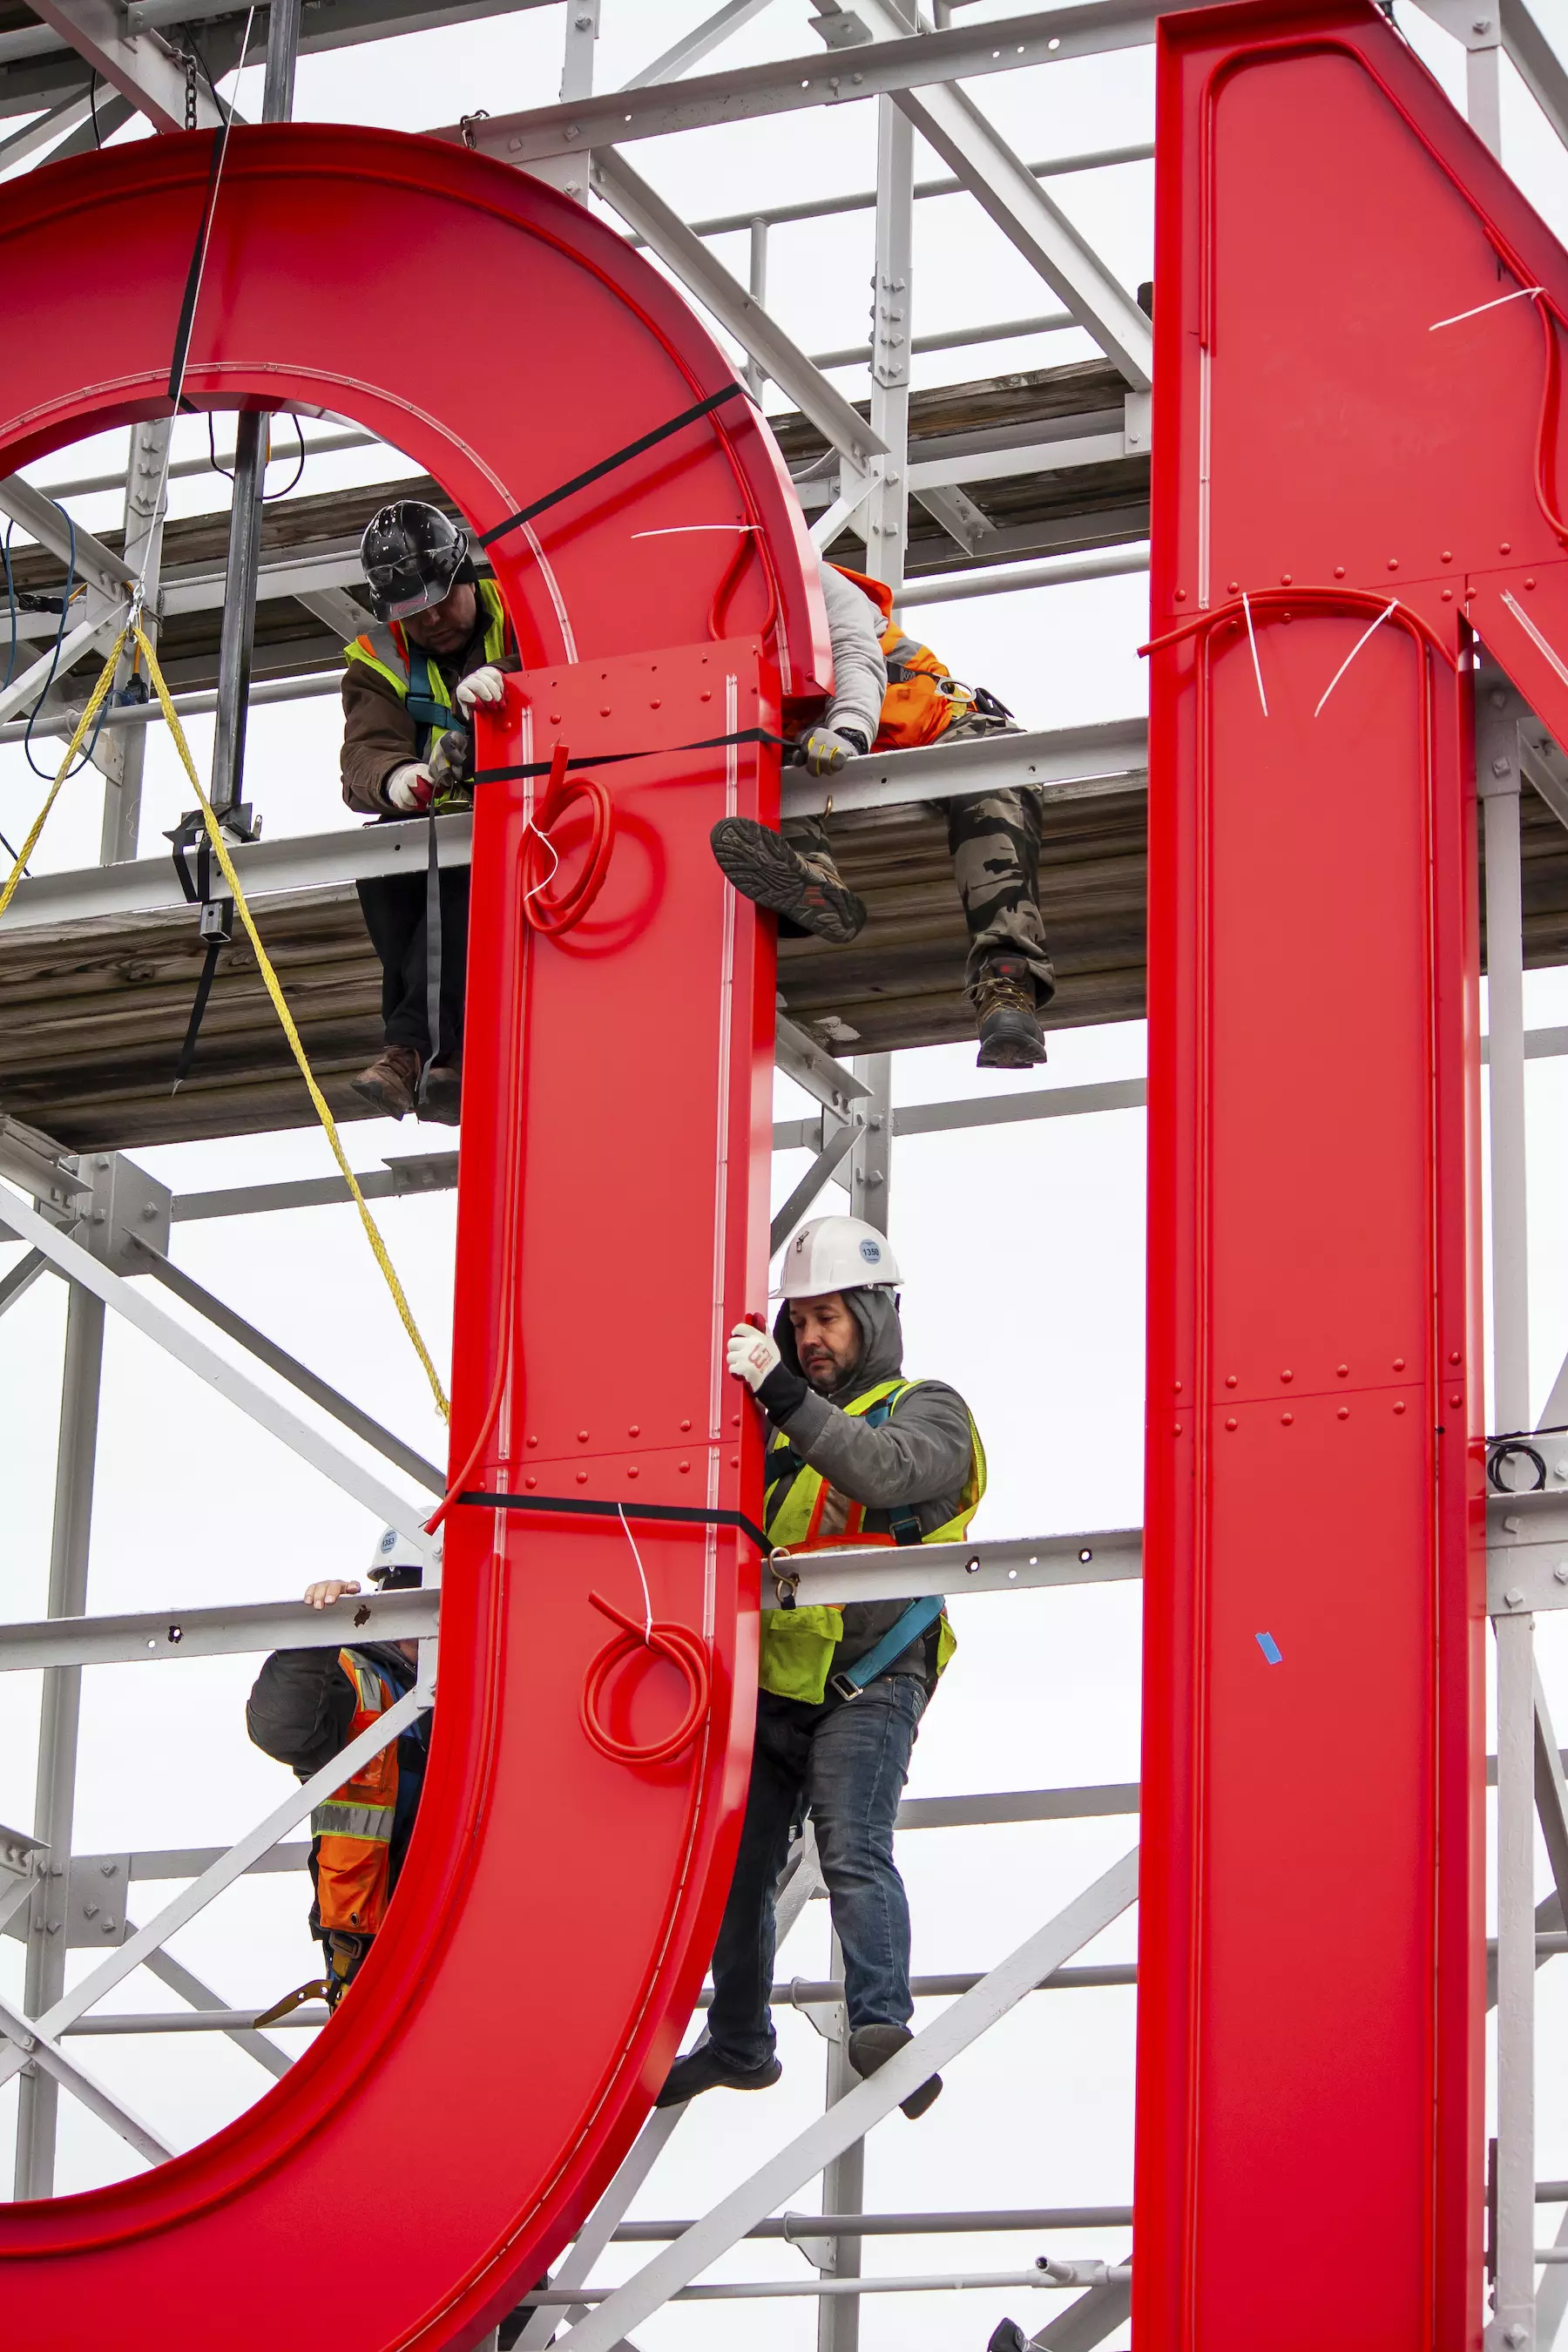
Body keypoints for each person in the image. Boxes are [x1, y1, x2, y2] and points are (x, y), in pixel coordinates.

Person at [658, 1213, 984, 2120]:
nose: (809, 1339)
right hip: (778, 1681)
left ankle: (883, 2024)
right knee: (737, 1863)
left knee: (853, 1843)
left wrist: (782, 1396)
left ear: (874, 1317)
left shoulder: (928, 1410)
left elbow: (883, 1471)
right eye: (798, 1323)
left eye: (829, 1319)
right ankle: (739, 2041)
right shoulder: (769, 1429)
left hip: (872, 1675)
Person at [709, 562, 1053, 1070]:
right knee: (762, 781)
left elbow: (853, 650)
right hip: (820, 755)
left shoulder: (790, 571)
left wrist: (848, 728)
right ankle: (812, 880)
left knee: (990, 791)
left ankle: (1008, 987)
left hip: (932, 730)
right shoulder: (688, 610)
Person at [341, 499, 520, 1123]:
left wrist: (507, 679)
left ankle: (411, 1047)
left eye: (442, 599)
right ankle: (441, 1055)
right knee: (386, 867)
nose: (434, 619)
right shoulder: (376, 657)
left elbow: (583, 663)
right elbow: (364, 751)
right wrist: (397, 778)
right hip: (440, 819)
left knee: (465, 868)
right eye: (414, 613)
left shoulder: (525, 610)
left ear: (465, 574)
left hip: (533, 814)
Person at [247, 1528, 431, 2012]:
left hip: (476, 1926)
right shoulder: (351, 1677)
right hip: (376, 1949)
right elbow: (282, 1728)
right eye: (404, 1597)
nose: (419, 1619)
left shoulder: (492, 1686)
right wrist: (313, 1637)